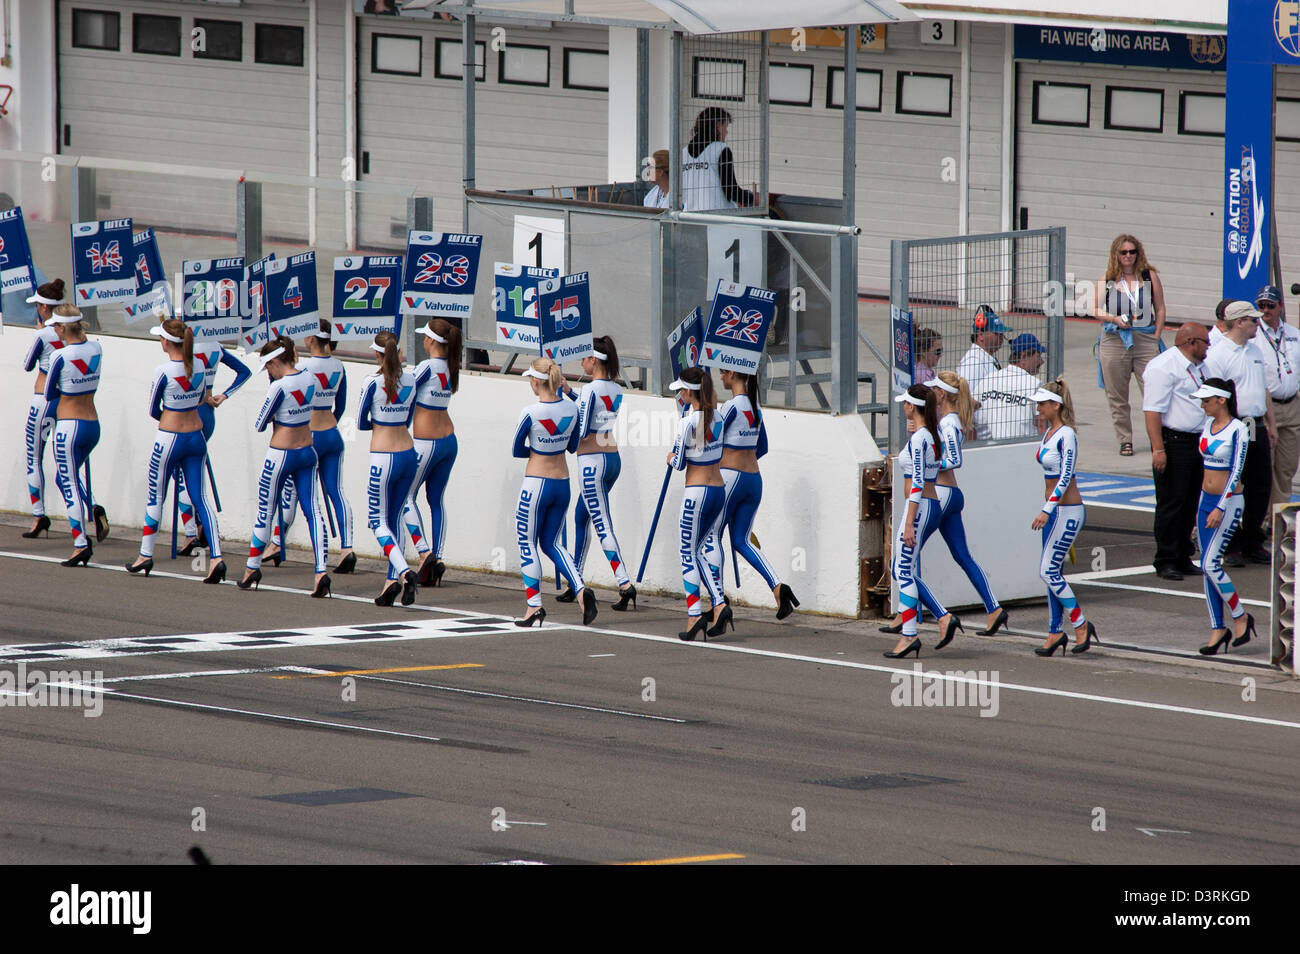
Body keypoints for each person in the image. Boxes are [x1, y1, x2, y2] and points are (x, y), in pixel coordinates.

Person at [126, 317, 225, 583]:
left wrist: (170, 418)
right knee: (200, 498)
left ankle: (145, 554)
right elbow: (203, 396)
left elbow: (152, 409)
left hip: (169, 438)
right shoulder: (201, 366)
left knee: (156, 495)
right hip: (196, 436)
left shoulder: (164, 370)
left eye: (161, 337)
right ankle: (216, 558)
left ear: (167, 342)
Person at [239, 337, 330, 599]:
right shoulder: (310, 378)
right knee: (313, 511)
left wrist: (276, 396)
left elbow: (259, 423)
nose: (269, 372)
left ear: (276, 361)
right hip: (307, 450)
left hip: (281, 453)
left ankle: (251, 568)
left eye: (268, 367)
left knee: (265, 511)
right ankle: (321, 571)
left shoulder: (279, 386)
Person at [512, 356, 597, 628]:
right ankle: (581, 589)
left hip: (536, 483)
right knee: (553, 543)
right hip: (562, 482)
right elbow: (572, 447)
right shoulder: (572, 409)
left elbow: (516, 449)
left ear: (536, 381)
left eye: (530, 379)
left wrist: (537, 451)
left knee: (527, 544)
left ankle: (533, 606)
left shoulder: (531, 412)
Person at [267, 321, 355, 575]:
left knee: (294, 492)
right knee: (336, 490)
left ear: (311, 339)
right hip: (332, 431)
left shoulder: (302, 368)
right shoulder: (339, 365)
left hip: (307, 435)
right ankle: (347, 549)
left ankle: (275, 542)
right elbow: (341, 405)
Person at [920, 372, 1005, 635]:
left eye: (934, 388)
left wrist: (929, 465)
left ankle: (924, 616)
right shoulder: (949, 420)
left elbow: (955, 459)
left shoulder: (948, 423)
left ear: (942, 394)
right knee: (962, 555)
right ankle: (993, 608)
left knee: (906, 559)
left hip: (944, 494)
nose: (930, 392)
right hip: (951, 494)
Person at [557, 336, 637, 610]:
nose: (581, 362)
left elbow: (581, 428)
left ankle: (625, 583)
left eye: (584, 357)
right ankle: (575, 580)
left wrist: (559, 444)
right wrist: (568, 392)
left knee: (602, 524)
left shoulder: (591, 389)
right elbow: (592, 409)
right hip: (611, 457)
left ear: (593, 360)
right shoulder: (615, 388)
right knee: (582, 516)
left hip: (592, 461)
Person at [717, 366, 800, 620]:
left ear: (732, 373)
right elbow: (762, 447)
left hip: (731, 478)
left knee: (710, 538)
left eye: (722, 371)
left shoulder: (730, 407)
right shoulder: (755, 408)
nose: (719, 376)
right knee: (740, 541)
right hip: (754, 480)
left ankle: (717, 599)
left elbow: (709, 441)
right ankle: (778, 587)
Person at [1204, 300, 1275, 566]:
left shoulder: (1255, 350)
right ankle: (1229, 543)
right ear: (1239, 322)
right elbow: (1214, 395)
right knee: (1233, 483)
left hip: (1254, 422)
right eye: (1253, 320)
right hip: (1235, 423)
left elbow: (1263, 389)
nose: (1258, 323)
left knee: (1260, 484)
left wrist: (1271, 424)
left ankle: (1252, 541)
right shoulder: (1219, 353)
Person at [1032, 378, 1099, 656]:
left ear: (1055, 405)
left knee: (1047, 571)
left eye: (1042, 404)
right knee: (1052, 573)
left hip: (1066, 511)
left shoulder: (1067, 435)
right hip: (1055, 512)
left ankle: (1080, 625)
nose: (1038, 408)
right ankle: (1054, 632)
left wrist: (1046, 510)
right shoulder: (1049, 432)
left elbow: (1065, 477)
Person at [1191, 378, 1257, 655]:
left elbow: (1236, 471)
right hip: (1205, 501)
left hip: (1227, 504)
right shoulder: (1208, 425)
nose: (1202, 404)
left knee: (1210, 564)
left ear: (1221, 400)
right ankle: (1218, 628)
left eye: (1206, 400)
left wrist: (1221, 505)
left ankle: (1241, 616)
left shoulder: (1239, 429)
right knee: (1208, 568)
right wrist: (1207, 504)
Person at [1142, 323, 1210, 580]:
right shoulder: (1163, 367)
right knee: (1172, 501)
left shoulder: (1200, 366)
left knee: (1190, 500)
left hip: (1196, 441)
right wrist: (1158, 449)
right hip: (1174, 441)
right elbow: (1152, 412)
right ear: (1192, 342)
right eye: (1206, 342)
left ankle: (1182, 554)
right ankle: (1166, 558)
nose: (1209, 347)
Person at [358, 331, 420, 606]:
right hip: (408, 452)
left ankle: (405, 573)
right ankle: (390, 583)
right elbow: (408, 417)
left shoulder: (371, 382)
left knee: (377, 520)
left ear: (376, 354)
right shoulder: (413, 379)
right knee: (395, 519)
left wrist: (381, 421)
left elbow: (361, 421)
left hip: (383, 456)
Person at [175, 332, 251, 555]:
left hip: (190, 411)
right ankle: (200, 525)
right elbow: (244, 372)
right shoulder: (215, 346)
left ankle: (192, 532)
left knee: (182, 475)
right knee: (192, 472)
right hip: (208, 413)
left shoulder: (188, 346)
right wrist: (223, 395)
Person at [43, 305, 108, 566]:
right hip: (92, 424)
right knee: (64, 477)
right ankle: (92, 504)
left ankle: (80, 544)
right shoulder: (97, 348)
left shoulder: (60, 355)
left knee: (67, 483)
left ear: (60, 328)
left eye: (54, 327)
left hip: (69, 426)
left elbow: (48, 393)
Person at [884, 384, 945, 658]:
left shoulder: (922, 438)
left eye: (905, 404)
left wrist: (909, 522)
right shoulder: (927, 434)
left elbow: (918, 481)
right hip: (925, 506)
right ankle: (936, 619)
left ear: (911, 407)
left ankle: (909, 635)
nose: (903, 407)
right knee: (901, 568)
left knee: (904, 572)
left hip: (919, 507)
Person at [669, 366, 729, 640]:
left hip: (697, 492)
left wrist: (670, 456)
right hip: (718, 490)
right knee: (697, 551)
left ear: (688, 392)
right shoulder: (719, 415)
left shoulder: (688, 422)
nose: (679, 395)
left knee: (686, 552)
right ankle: (718, 603)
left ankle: (695, 614)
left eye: (681, 390)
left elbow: (679, 463)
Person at [1094, 233, 1167, 456]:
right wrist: (1114, 319)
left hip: (1144, 338)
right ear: (1116, 254)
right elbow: (1095, 310)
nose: (1128, 256)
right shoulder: (1107, 278)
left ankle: (1159, 440)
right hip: (1115, 339)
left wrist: (1156, 335)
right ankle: (1125, 439)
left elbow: (1161, 307)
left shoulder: (1149, 276)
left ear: (1138, 253)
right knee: (1117, 395)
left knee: (1153, 391)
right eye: (1123, 252)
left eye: (1132, 252)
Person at [402, 319, 462, 588]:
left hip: (427, 442)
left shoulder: (426, 366)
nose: (422, 341)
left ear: (431, 342)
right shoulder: (452, 366)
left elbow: (404, 391)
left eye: (425, 337)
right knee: (436, 500)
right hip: (449, 441)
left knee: (406, 497)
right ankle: (437, 557)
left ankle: (425, 552)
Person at [21, 279, 67, 539]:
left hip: (43, 399)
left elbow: (28, 365)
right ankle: (85, 508)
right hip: (67, 400)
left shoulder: (43, 334)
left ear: (45, 308)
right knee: (67, 461)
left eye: (38, 305)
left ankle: (39, 515)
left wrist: (39, 333)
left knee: (34, 457)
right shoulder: (72, 331)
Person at [1253, 285, 1300, 510]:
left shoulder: (1293, 335)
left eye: (1270, 305)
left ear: (1280, 306)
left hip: (1291, 405)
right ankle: (1261, 517)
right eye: (1261, 305)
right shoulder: (1253, 335)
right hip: (1266, 407)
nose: (1265, 310)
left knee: (1286, 467)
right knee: (1264, 467)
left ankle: (1278, 519)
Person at [681, 107, 755, 212]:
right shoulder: (721, 149)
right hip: (717, 216)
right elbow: (730, 190)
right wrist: (751, 197)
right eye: (726, 127)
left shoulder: (684, 153)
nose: (726, 132)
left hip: (689, 214)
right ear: (718, 125)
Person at [973, 332, 1044, 440]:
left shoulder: (989, 379)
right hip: (1025, 450)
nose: (1042, 361)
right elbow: (1042, 425)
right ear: (1023, 356)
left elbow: (966, 408)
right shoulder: (1034, 384)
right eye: (1038, 356)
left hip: (993, 449)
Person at [955, 304, 1011, 396]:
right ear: (980, 335)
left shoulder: (985, 357)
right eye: (997, 333)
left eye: (1002, 333)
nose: (1001, 337)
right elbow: (964, 397)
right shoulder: (973, 362)